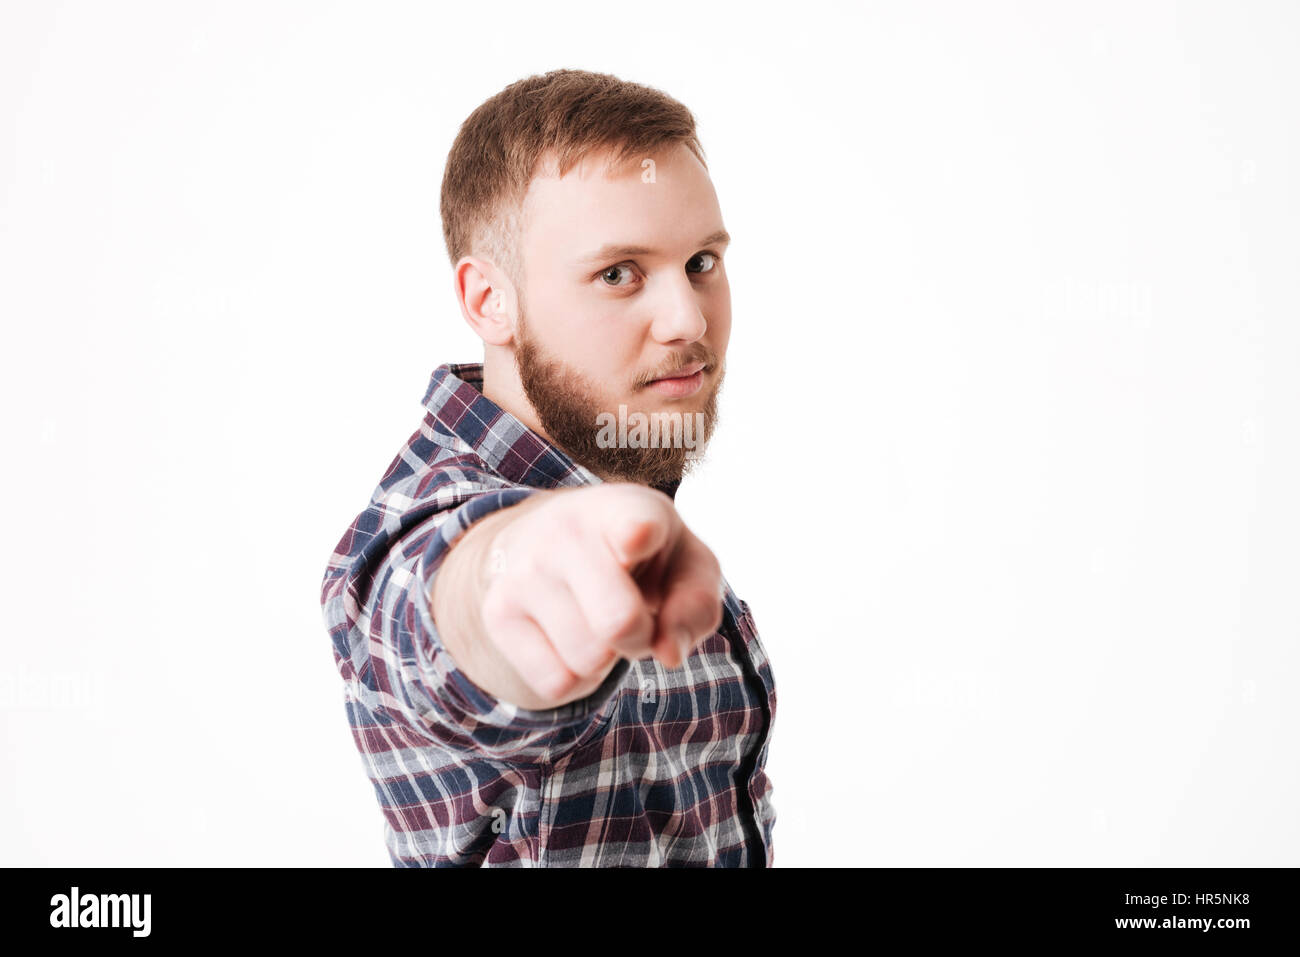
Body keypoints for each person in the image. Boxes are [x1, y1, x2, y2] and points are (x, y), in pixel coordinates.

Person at [319, 68, 776, 866]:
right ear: (489, 300)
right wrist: (512, 567)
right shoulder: (422, 525)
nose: (688, 317)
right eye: (617, 274)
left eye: (701, 261)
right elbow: (442, 607)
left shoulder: (619, 489)